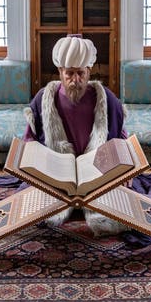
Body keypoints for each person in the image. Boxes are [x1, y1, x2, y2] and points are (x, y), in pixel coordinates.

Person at [23, 34, 127, 235]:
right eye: (69, 73)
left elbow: (121, 136)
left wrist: (123, 171)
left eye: (80, 73)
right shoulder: (42, 99)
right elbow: (29, 140)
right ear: (60, 72)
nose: (75, 80)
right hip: (56, 177)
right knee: (33, 214)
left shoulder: (106, 99)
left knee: (120, 211)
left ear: (89, 71)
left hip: (98, 175)